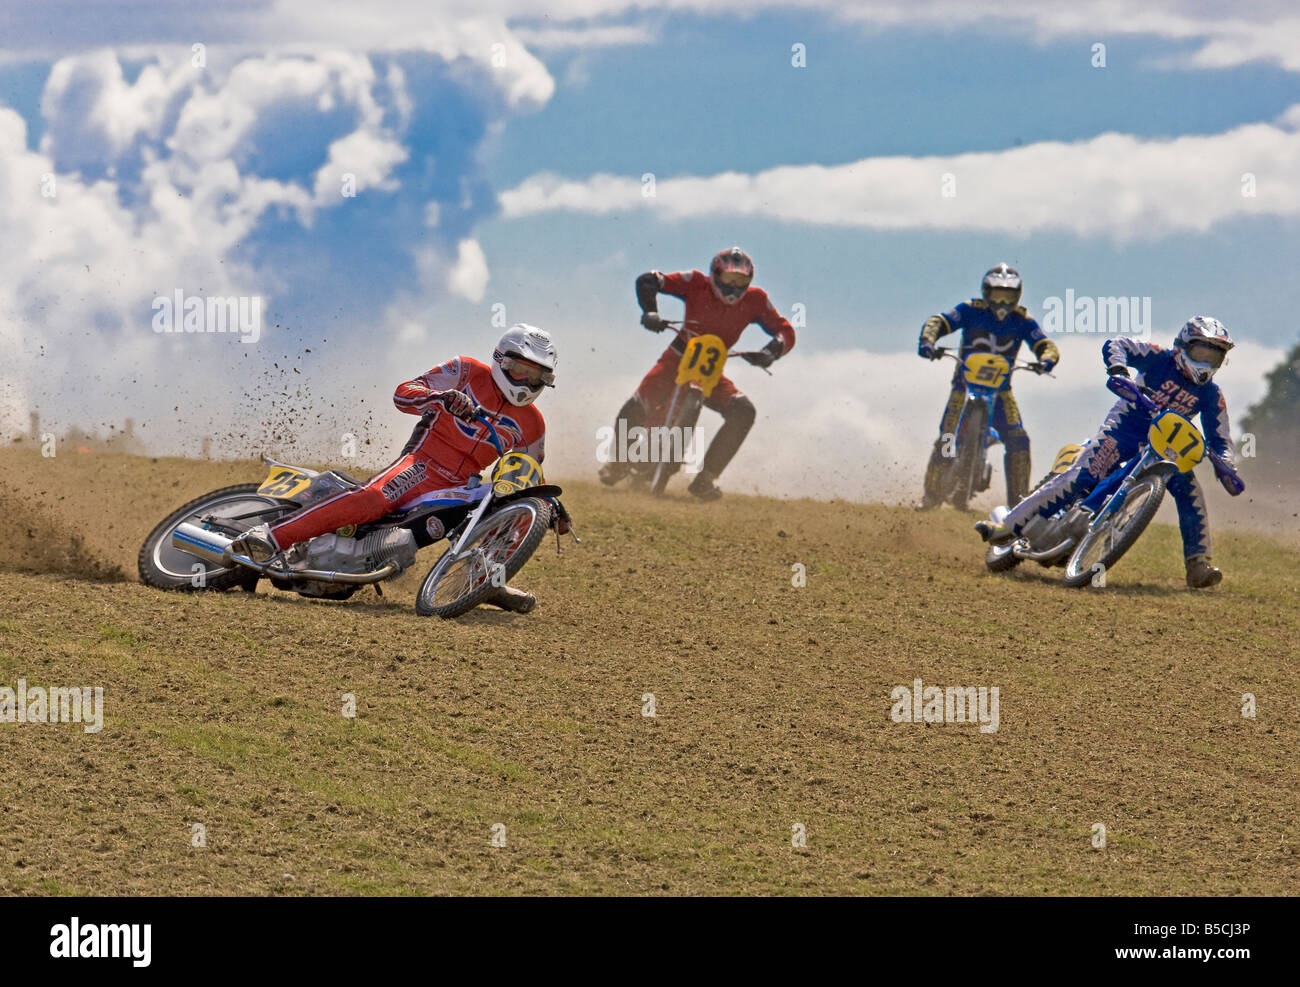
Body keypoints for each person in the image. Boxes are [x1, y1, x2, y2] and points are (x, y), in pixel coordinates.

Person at [230, 324, 561, 612]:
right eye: (521, 370)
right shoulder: (467, 371)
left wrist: (548, 506)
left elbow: (525, 474)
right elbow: (404, 393)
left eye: (537, 376)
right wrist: (442, 397)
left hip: (462, 486)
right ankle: (270, 537)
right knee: (374, 499)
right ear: (500, 359)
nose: (527, 381)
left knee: (513, 507)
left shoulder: (534, 426)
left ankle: (484, 580)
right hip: (421, 463)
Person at [976, 316, 1238, 589]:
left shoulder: (1211, 395)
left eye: (1214, 357)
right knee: (1081, 476)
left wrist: (1226, 465)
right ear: (1183, 346)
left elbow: (1221, 439)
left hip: (1166, 449)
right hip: (1124, 430)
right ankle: (1007, 527)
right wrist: (1119, 371)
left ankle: (1198, 564)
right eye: (1202, 353)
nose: (1206, 363)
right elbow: (1117, 344)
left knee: (1191, 492)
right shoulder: (1159, 357)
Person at [598, 247, 795, 500]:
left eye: (741, 282)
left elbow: (785, 331)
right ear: (714, 274)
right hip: (676, 360)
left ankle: (706, 478)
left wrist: (770, 352)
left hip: (711, 373)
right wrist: (650, 312)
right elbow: (649, 280)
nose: (734, 288)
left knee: (744, 411)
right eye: (728, 280)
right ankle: (618, 464)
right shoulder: (694, 282)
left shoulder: (757, 299)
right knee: (635, 406)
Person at [916, 264, 1059, 509]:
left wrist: (1046, 361)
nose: (1002, 302)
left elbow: (1046, 345)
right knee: (948, 438)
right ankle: (930, 498)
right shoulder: (970, 310)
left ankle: (1018, 507)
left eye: (1009, 296)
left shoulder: (1023, 321)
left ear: (1018, 296)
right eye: (997, 294)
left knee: (1019, 440)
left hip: (1001, 393)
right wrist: (928, 341)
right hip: (962, 388)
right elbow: (938, 321)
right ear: (985, 292)